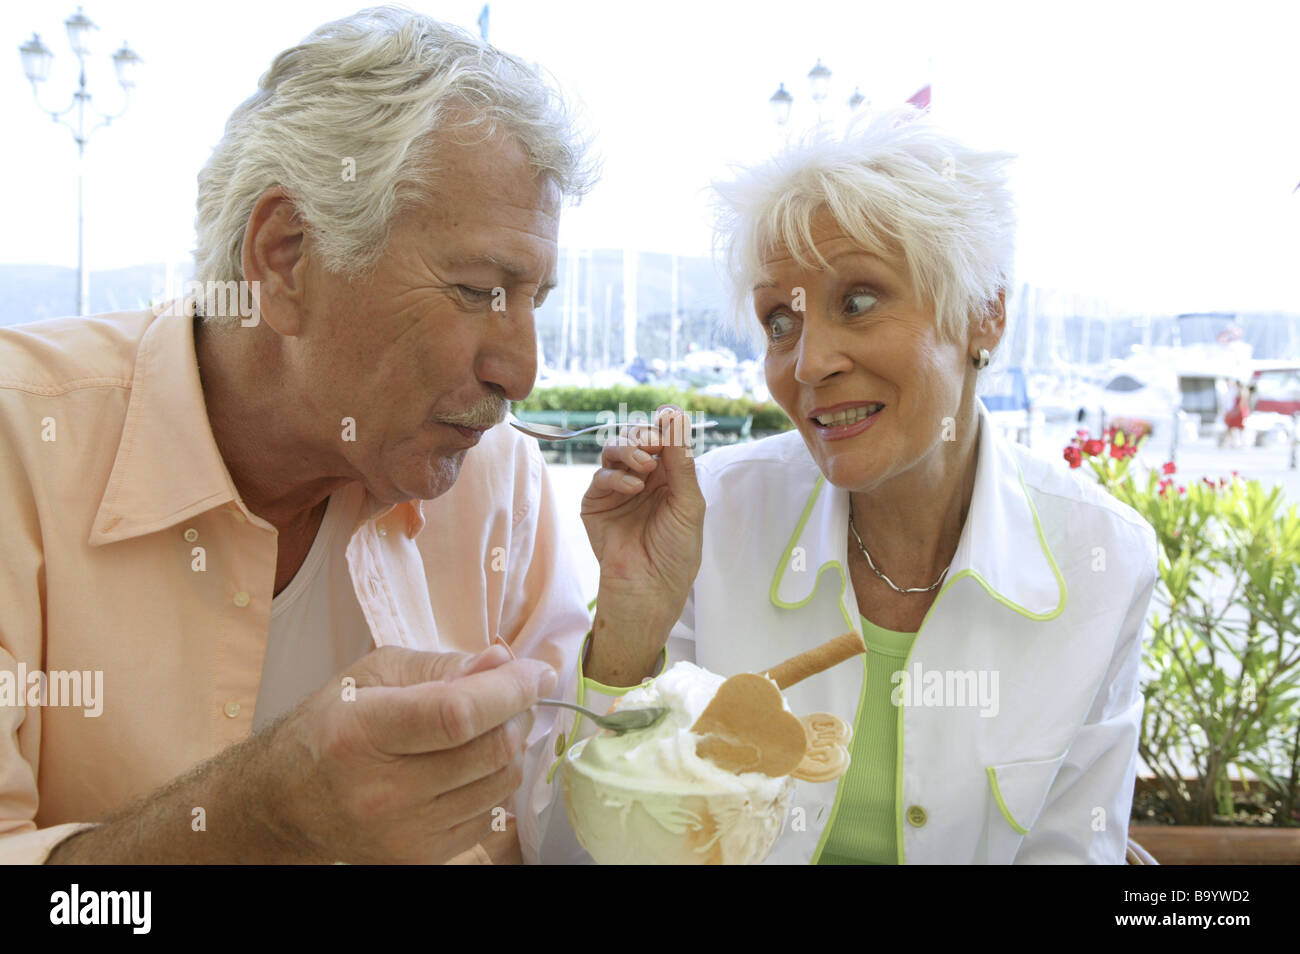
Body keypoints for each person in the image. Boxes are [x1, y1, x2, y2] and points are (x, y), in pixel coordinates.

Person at [0, 8, 595, 864]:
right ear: (285, 257)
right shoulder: (24, 442)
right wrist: (264, 819)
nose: (521, 372)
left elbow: (560, 827)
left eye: (534, 300)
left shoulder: (497, 476)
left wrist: (633, 637)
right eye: (475, 291)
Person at [555, 108, 1159, 864]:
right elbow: (569, 853)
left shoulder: (1104, 558)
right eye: (781, 321)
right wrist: (627, 636)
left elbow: (1074, 851)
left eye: (860, 301)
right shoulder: (708, 521)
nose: (808, 363)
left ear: (986, 312)